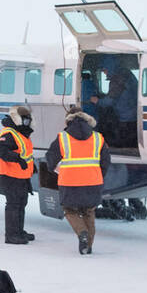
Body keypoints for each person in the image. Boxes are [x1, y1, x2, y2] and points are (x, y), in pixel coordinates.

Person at [45, 106, 111, 254]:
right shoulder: (98, 137)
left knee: (70, 210)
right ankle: (88, 246)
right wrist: (98, 175)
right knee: (89, 211)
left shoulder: (62, 137)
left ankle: (82, 234)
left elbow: (50, 158)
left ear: (68, 119)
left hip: (70, 182)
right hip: (93, 182)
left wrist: (55, 170)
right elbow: (106, 161)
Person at [0, 105, 36, 245]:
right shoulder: (9, 133)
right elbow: (2, 151)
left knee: (21, 204)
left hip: (22, 176)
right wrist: (17, 158)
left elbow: (26, 153)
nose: (27, 123)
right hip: (11, 176)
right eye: (25, 120)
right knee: (13, 205)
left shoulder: (21, 134)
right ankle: (11, 235)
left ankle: (19, 231)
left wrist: (31, 165)